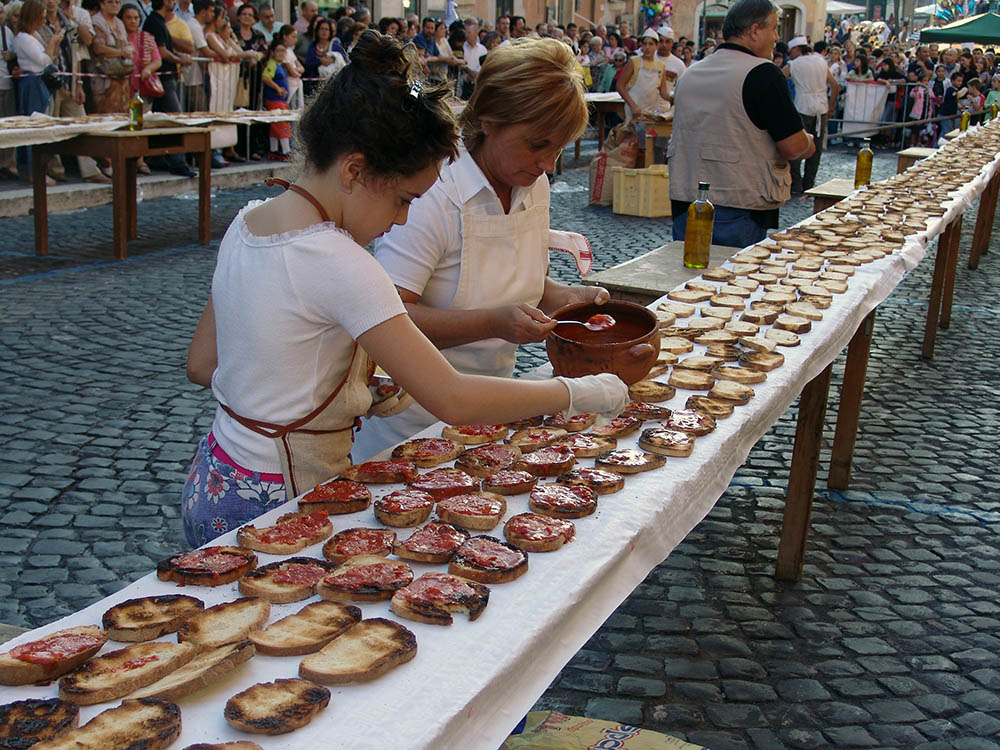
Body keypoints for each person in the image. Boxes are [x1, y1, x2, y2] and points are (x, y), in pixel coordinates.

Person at [182, 31, 627, 545]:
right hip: (281, 493)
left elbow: (203, 364)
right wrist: (577, 392)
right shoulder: (343, 262)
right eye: (403, 200)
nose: (400, 221)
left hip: (216, 477)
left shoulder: (246, 220)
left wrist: (334, 390)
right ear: (355, 171)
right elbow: (454, 398)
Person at [351, 37, 614, 462]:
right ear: (489, 120)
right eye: (537, 145)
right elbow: (386, 318)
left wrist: (563, 297)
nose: (548, 164)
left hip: (491, 412)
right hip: (411, 424)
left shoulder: (533, 184)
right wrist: (492, 323)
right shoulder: (433, 192)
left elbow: (514, 275)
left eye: (559, 148)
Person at [668, 0, 814, 248]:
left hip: (686, 200)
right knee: (732, 272)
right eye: (774, 28)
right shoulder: (763, 73)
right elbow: (794, 146)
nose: (777, 38)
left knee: (690, 270)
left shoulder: (691, 72)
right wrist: (809, 142)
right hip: (737, 204)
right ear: (754, 30)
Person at [143, 0, 195, 176]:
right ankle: (177, 161)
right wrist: (181, 60)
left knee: (162, 120)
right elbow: (162, 52)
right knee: (175, 118)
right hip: (162, 79)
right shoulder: (155, 21)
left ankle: (159, 158)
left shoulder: (159, 21)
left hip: (165, 78)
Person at [14, 0, 63, 179]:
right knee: (34, 126)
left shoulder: (34, 35)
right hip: (32, 83)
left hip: (40, 81)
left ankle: (40, 170)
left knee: (42, 125)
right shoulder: (23, 38)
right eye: (41, 18)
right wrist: (53, 41)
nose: (43, 21)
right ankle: (33, 171)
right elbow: (43, 60)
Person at [785, 35, 838, 193]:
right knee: (816, 148)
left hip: (802, 106)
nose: (790, 55)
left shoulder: (794, 64)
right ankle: (809, 182)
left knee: (797, 146)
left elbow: (778, 78)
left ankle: (796, 183)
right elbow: (835, 86)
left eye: (791, 51)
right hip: (821, 108)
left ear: (796, 49)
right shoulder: (820, 61)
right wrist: (831, 106)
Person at [617, 27, 669, 124]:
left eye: (651, 44)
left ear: (657, 46)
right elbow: (620, 86)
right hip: (633, 109)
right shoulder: (634, 61)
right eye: (645, 44)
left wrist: (672, 99)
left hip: (650, 111)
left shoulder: (661, 66)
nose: (647, 47)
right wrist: (633, 106)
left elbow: (663, 91)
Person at [91, 0, 132, 115]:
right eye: (110, 2)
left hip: (122, 77)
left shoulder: (119, 23)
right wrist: (121, 52)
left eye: (117, 2)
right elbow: (98, 48)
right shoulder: (97, 22)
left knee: (123, 115)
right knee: (106, 115)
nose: (114, 5)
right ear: (102, 4)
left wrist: (129, 50)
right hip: (104, 78)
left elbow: (127, 43)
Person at [260, 37, 290, 159]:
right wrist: (277, 88)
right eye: (279, 50)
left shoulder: (279, 65)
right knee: (282, 124)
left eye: (283, 51)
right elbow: (265, 77)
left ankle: (274, 150)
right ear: (272, 52)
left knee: (275, 124)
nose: (281, 53)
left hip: (280, 100)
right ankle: (286, 152)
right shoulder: (272, 64)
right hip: (274, 99)